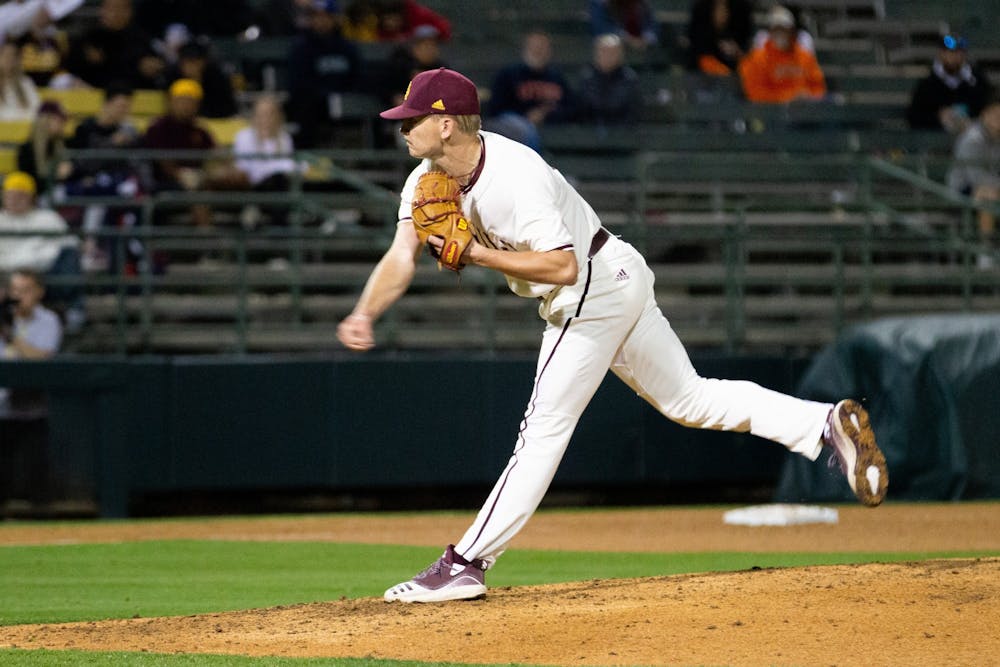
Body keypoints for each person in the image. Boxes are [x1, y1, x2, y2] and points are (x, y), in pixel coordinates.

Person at [335, 67, 890, 603]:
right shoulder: (425, 180)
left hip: (591, 286)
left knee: (543, 429)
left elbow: (563, 266)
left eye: (412, 119)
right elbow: (401, 255)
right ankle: (822, 424)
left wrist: (478, 254)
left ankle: (467, 564)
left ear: (446, 124)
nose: (402, 127)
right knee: (690, 399)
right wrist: (364, 313)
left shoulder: (515, 175)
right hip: (615, 276)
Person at [65, 81, 142, 272]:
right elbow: (78, 165)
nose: (123, 111)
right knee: (98, 198)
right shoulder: (85, 129)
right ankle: (90, 249)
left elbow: (134, 166)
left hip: (118, 190)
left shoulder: (129, 133)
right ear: (107, 104)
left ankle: (130, 258)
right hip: (87, 188)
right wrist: (111, 144)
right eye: (120, 105)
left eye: (127, 107)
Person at [0, 171, 81, 322]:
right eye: (9, 195)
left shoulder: (47, 218)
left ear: (31, 197)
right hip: (6, 277)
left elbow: (66, 248)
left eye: (20, 195)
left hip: (43, 276)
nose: (14, 200)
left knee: (70, 253)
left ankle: (74, 311)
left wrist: (27, 266)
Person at [285, 0, 362, 148]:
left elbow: (357, 78)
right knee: (305, 107)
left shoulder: (348, 48)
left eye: (326, 16)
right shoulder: (302, 48)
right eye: (316, 16)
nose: (321, 21)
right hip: (313, 105)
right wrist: (326, 96)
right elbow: (298, 83)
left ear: (335, 18)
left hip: (344, 101)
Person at [142, 78, 217, 226]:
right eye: (182, 100)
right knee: (196, 194)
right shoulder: (158, 128)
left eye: (191, 101)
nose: (186, 105)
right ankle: (208, 236)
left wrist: (208, 174)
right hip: (163, 183)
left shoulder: (200, 131)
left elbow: (215, 155)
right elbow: (162, 162)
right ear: (171, 101)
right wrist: (182, 175)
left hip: (198, 181)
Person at [486, 29, 576, 152]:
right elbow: (496, 108)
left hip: (549, 123)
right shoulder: (509, 74)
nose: (538, 51)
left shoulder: (557, 77)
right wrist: (526, 117)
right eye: (534, 47)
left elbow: (570, 107)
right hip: (512, 123)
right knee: (526, 130)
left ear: (549, 51)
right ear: (525, 49)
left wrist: (545, 114)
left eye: (542, 47)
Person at [63, 0, 165, 89]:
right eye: (112, 8)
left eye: (122, 8)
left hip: (135, 98)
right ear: (102, 10)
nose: (116, 13)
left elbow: (162, 67)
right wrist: (86, 62)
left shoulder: (142, 40)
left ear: (130, 12)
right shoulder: (87, 39)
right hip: (92, 96)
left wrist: (154, 68)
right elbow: (69, 70)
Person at [232, 94, 301, 226]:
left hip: (277, 185)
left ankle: (278, 225)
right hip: (252, 186)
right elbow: (243, 167)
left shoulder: (284, 138)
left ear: (278, 116)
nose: (266, 119)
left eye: (270, 114)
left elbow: (288, 166)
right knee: (278, 183)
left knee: (280, 182)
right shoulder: (243, 136)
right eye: (261, 114)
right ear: (254, 116)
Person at [907, 35, 995, 135]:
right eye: (950, 52)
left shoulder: (977, 81)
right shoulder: (927, 84)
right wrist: (938, 118)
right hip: (936, 137)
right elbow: (914, 117)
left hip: (973, 136)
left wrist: (971, 121)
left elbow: (989, 109)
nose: (954, 57)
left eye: (958, 52)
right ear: (941, 53)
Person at [948, 97, 1000, 266]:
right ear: (985, 115)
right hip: (962, 188)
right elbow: (976, 178)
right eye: (995, 115)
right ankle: (985, 251)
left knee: (990, 192)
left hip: (993, 186)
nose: (998, 119)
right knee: (987, 195)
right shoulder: (972, 139)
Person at [737, 5, 826, 104]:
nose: (780, 34)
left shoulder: (805, 57)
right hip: (770, 111)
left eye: (784, 29)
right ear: (770, 32)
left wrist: (809, 96)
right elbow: (755, 93)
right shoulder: (756, 59)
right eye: (776, 29)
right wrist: (787, 98)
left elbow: (818, 87)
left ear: (792, 31)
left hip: (803, 109)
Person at [575, 33, 642, 126]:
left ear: (621, 55)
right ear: (596, 54)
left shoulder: (630, 79)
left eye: (612, 52)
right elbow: (582, 111)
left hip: (622, 131)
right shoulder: (586, 78)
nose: (607, 56)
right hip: (590, 131)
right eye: (603, 51)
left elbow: (633, 113)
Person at [163, 39, 238, 119]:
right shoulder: (173, 76)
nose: (191, 66)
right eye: (187, 62)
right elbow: (168, 106)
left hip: (213, 120)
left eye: (195, 61)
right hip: (181, 120)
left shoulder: (217, 77)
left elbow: (227, 108)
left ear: (204, 62)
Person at [0, 268, 62, 361]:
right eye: (14, 289)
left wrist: (9, 336)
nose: (17, 296)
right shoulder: (3, 314)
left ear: (40, 292)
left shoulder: (50, 320)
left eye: (25, 291)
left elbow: (43, 359)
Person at [16, 99, 73, 195]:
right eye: (58, 120)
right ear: (45, 121)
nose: (62, 125)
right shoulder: (27, 149)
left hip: (59, 194)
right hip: (37, 196)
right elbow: (28, 182)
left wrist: (70, 170)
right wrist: (54, 175)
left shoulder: (63, 144)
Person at [686, 0, 754, 76]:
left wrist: (737, 51)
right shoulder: (700, 7)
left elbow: (746, 39)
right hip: (703, 64)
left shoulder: (742, 7)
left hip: (735, 64)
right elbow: (695, 40)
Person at [589, 0, 659, 52]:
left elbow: (653, 26)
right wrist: (627, 38)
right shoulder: (598, 3)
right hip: (611, 50)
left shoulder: (642, 3)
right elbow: (602, 28)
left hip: (643, 49)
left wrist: (645, 38)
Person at [0, 40, 41, 121]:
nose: (9, 59)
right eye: (5, 55)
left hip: (24, 126)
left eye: (13, 56)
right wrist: (19, 113)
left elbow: (37, 110)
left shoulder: (25, 82)